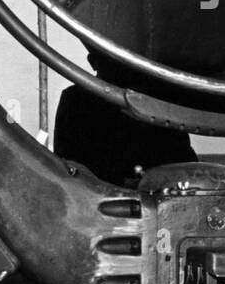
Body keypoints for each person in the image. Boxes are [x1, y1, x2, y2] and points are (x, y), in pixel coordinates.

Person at [53, 50, 197, 185]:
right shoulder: (75, 99)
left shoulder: (156, 99)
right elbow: (67, 161)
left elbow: (183, 158)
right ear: (93, 61)